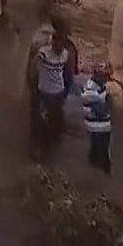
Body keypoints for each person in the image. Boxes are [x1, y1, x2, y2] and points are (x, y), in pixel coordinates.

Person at [33, 19, 79, 159]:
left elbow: (34, 66)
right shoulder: (67, 51)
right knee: (50, 119)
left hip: (51, 91)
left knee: (46, 120)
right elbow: (70, 73)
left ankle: (45, 147)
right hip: (55, 91)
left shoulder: (48, 53)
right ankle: (49, 145)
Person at [80, 65, 113, 175]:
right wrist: (110, 101)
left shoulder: (97, 85)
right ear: (98, 75)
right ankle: (102, 175)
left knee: (95, 150)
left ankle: (94, 170)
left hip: (96, 126)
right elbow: (102, 111)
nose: (107, 79)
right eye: (106, 75)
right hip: (99, 127)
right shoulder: (91, 91)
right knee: (103, 154)